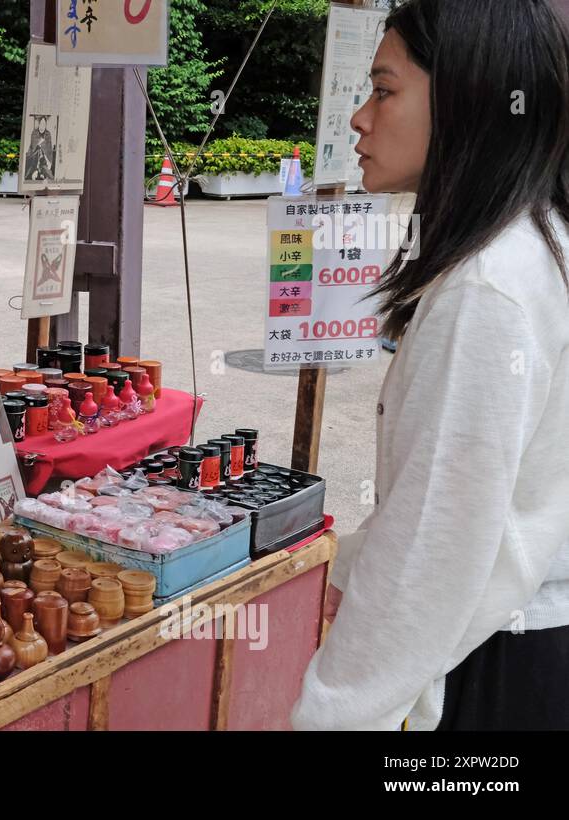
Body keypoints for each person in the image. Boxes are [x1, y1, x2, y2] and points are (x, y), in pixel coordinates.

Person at [291, 0, 569, 730]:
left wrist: (331, 715)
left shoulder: (487, 289)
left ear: (467, 101)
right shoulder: (537, 246)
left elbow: (434, 552)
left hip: (496, 665)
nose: (359, 118)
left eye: (384, 90)